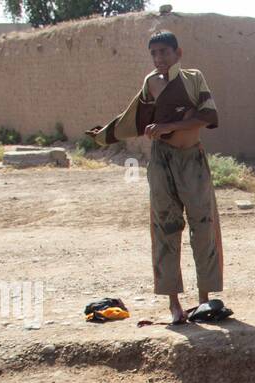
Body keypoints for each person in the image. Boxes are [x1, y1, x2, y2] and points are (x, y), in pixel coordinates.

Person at [87, 31, 224, 325]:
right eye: (154, 53)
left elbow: (209, 116)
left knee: (203, 224)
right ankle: (174, 304)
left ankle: (203, 300)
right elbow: (133, 118)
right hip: (162, 161)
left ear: (178, 53)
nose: (159, 58)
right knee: (165, 227)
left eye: (164, 52)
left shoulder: (193, 79)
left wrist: (168, 125)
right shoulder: (150, 83)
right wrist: (104, 135)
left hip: (192, 160)